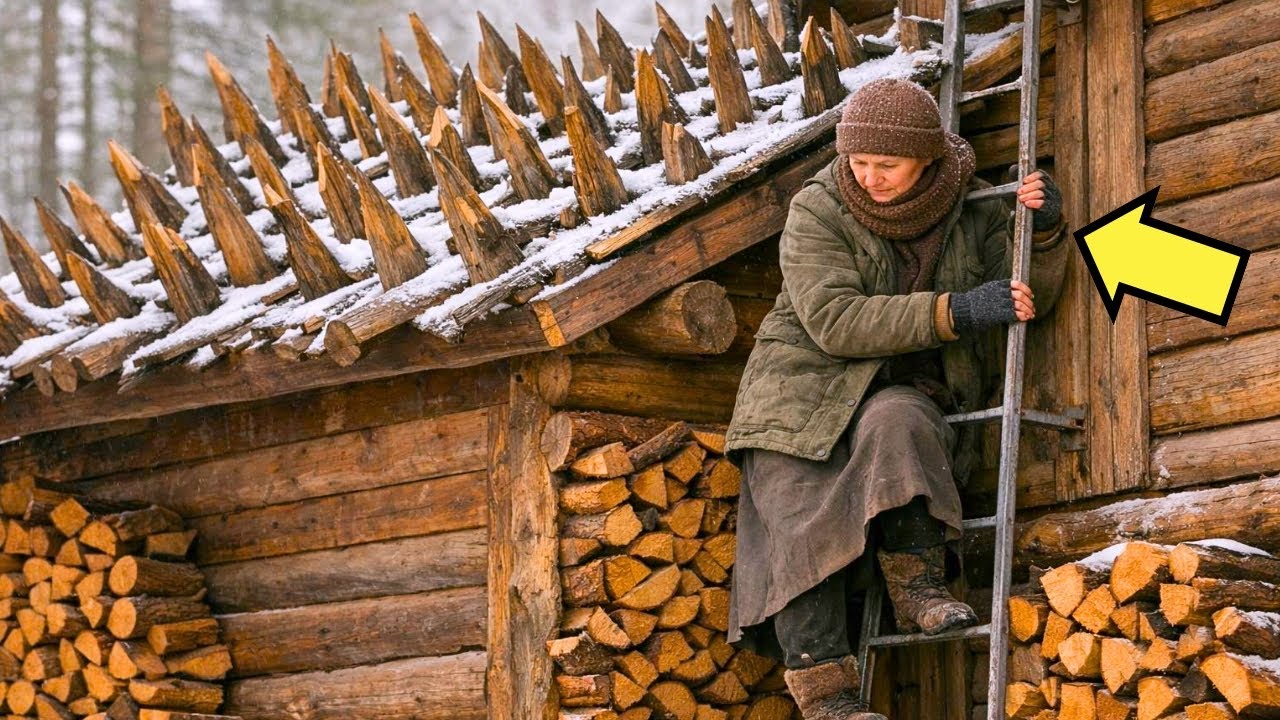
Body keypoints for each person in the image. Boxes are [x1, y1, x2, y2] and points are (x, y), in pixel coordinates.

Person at [723, 78, 1070, 720]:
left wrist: (1044, 233)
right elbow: (835, 320)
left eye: (888, 164)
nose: (870, 178)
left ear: (927, 158)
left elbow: (1023, 295)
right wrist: (952, 310)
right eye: (859, 162)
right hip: (794, 396)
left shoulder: (971, 204)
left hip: (900, 389)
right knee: (797, 518)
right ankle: (827, 700)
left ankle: (919, 590)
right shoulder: (818, 208)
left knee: (901, 421)